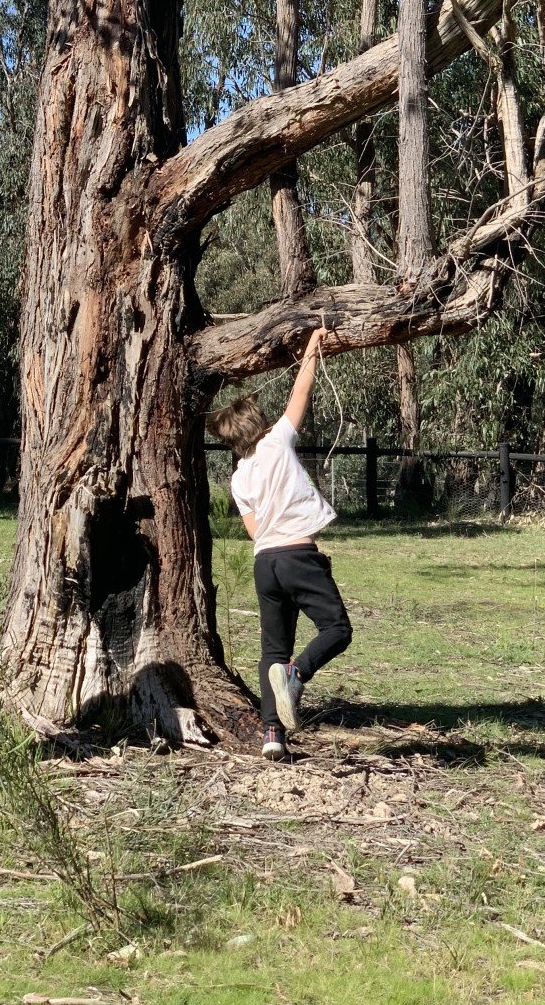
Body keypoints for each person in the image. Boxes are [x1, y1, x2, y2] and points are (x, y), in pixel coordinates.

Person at [207, 325, 353, 762]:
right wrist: (311, 349)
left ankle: (272, 734)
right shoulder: (278, 440)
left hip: (264, 563)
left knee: (272, 647)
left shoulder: (238, 477)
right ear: (260, 424)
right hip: (298, 555)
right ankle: (297, 674)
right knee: (337, 629)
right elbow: (301, 391)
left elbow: (254, 530)